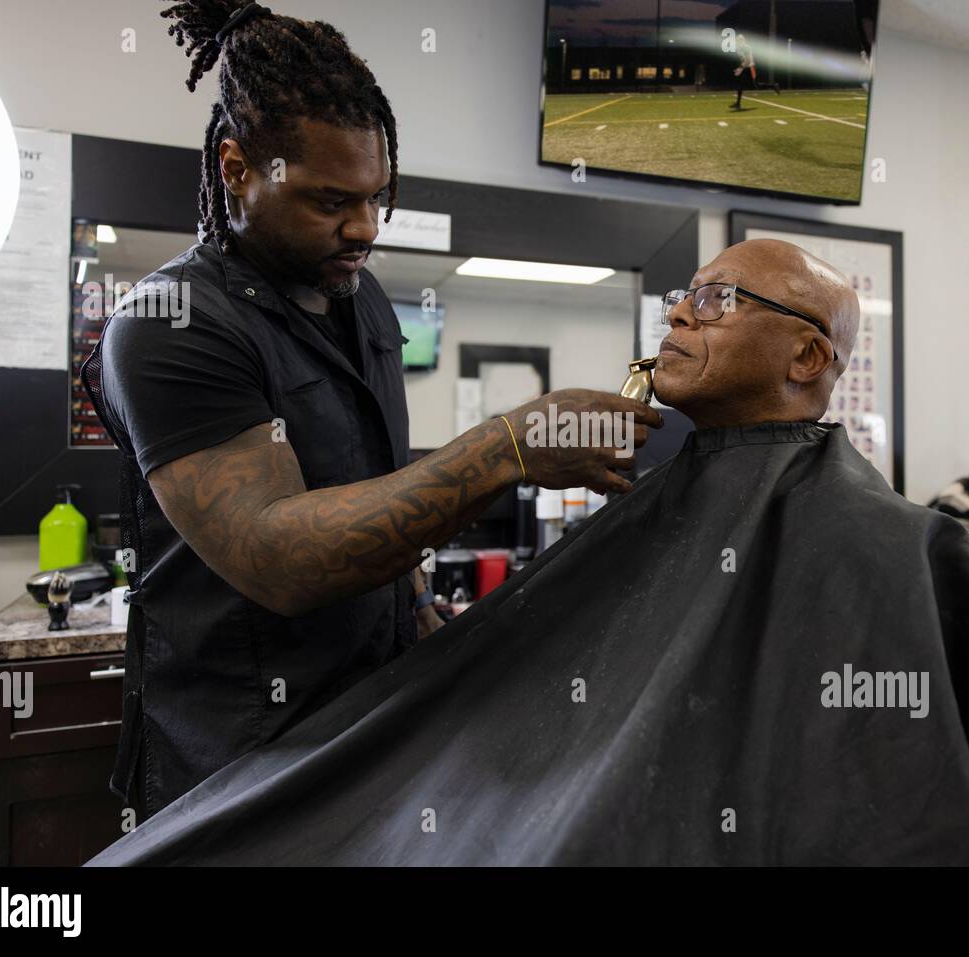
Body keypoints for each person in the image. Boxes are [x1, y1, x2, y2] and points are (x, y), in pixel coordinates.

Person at [90, 240, 969, 866]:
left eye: (717, 299)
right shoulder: (170, 319)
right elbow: (275, 549)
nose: (679, 314)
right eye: (683, 294)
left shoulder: (887, 544)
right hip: (257, 730)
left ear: (808, 358)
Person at [80, 0, 659, 821]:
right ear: (237, 167)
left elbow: (372, 481)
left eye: (376, 196)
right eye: (329, 202)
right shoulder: (170, 323)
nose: (364, 228)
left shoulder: (362, 300)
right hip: (239, 767)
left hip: (371, 730)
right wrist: (507, 447)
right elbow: (273, 551)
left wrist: (422, 611)